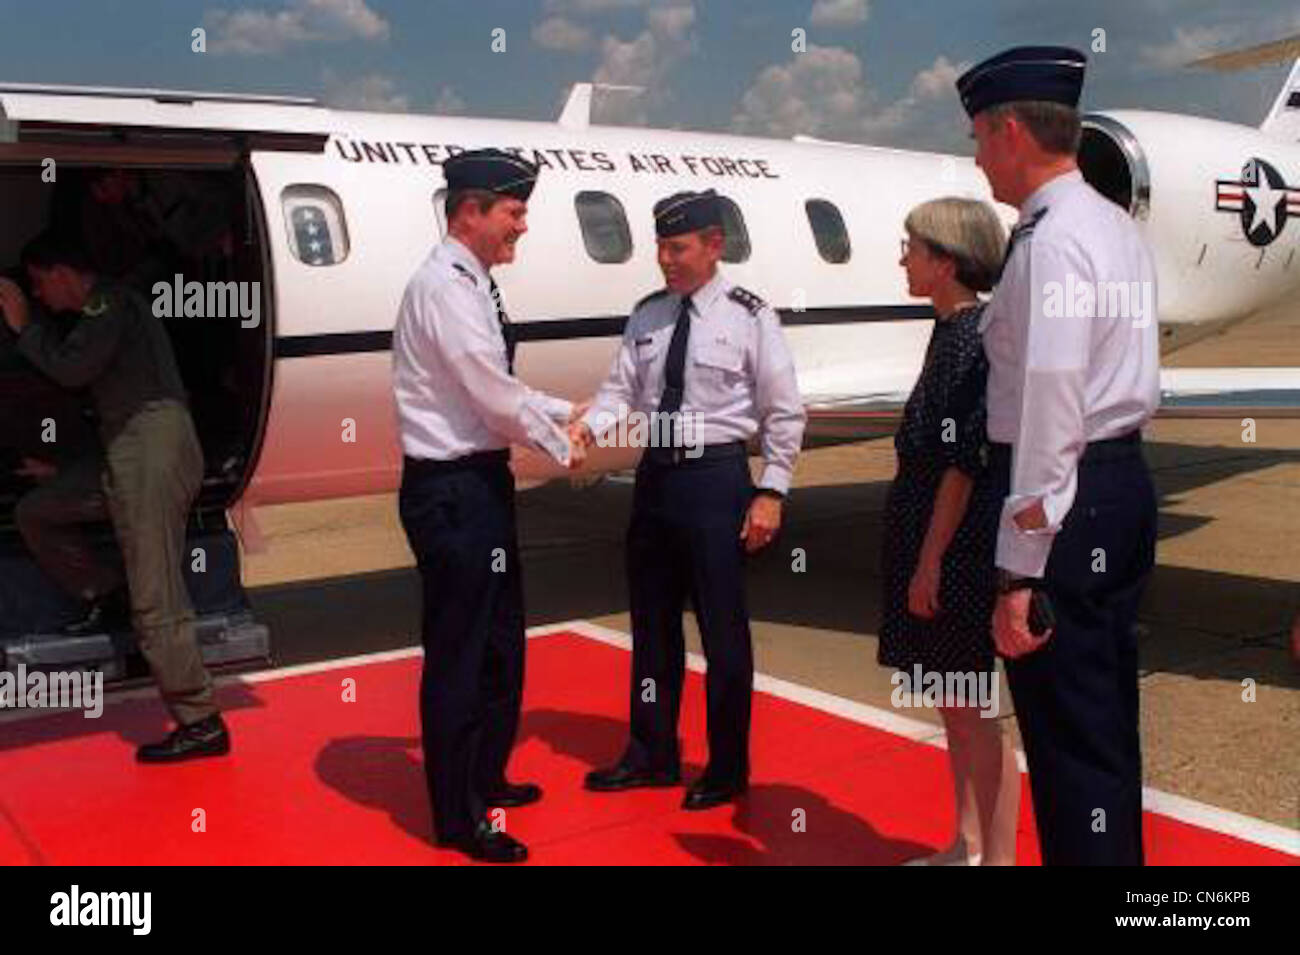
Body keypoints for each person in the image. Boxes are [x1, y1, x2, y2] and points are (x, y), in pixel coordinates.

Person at [957, 46, 1161, 865]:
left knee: (1068, 742)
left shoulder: (1048, 243)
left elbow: (1048, 405)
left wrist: (1020, 573)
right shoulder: (1112, 224)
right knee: (1103, 725)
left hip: (1064, 499)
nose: (976, 157)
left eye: (978, 137)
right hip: (1118, 484)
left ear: (1011, 132)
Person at [572, 189, 806, 810]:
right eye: (660, 248)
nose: (665, 260)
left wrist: (771, 491)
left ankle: (728, 766)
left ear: (713, 245)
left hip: (715, 483)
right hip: (655, 482)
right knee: (651, 631)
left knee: (724, 636)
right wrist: (585, 432)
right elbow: (620, 393)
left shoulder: (749, 316)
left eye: (677, 248)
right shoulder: (648, 314)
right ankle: (650, 753)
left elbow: (783, 410)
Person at [392, 148, 580, 863]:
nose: (523, 227)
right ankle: (458, 815)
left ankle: (486, 776)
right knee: (461, 654)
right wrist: (563, 438)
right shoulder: (444, 288)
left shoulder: (474, 280)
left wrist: (564, 411)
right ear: (470, 211)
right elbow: (489, 390)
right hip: (452, 492)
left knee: (502, 641)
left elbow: (498, 384)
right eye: (514, 211)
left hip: (483, 484)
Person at [0, 232, 228, 762]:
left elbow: (72, 370)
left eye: (37, 285)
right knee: (38, 510)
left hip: (150, 445)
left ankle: (201, 720)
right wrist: (59, 467)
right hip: (127, 446)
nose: (39, 297)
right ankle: (107, 592)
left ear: (60, 272)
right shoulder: (103, 311)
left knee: (159, 595)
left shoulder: (108, 302)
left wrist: (23, 328)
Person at [881, 198, 1020, 866]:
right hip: (930, 536)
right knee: (953, 704)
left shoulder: (968, 336)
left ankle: (996, 859)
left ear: (943, 261)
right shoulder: (948, 331)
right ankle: (964, 845)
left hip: (954, 548)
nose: (902, 258)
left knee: (971, 708)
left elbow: (963, 463)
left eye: (911, 247)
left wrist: (930, 560)